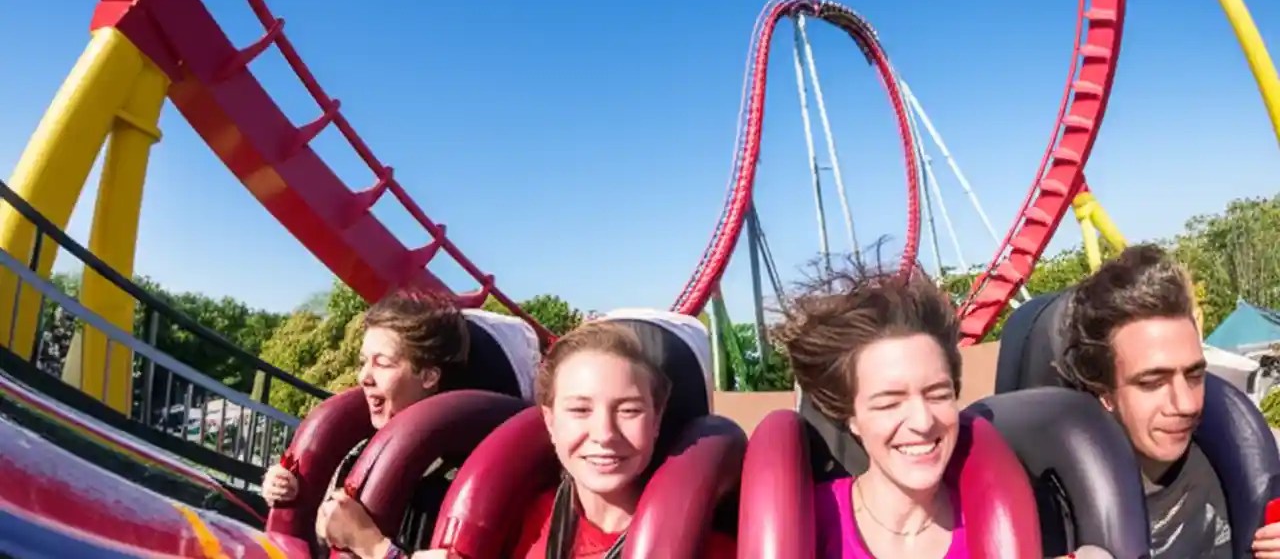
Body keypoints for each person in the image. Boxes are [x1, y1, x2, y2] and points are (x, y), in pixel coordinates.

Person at [417, 319, 736, 559]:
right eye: (580, 410)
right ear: (550, 421)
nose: (605, 434)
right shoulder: (516, 519)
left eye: (629, 410)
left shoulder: (705, 547)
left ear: (656, 420)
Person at [1055, 243, 1280, 559]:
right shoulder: (1055, 507)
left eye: (1194, 375)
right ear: (1104, 393)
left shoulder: (1231, 471)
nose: (1186, 404)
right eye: (1153, 383)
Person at [776, 264, 970, 559]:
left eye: (938, 395)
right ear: (852, 417)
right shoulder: (807, 524)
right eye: (889, 403)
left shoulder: (993, 517)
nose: (922, 421)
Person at [260, 288, 470, 559]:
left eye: (382, 364)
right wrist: (287, 492)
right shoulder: (361, 451)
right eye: (363, 362)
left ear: (429, 376)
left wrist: (371, 545)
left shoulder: (456, 480)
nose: (364, 377)